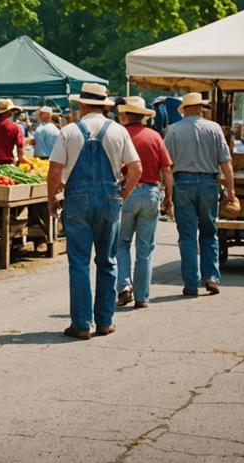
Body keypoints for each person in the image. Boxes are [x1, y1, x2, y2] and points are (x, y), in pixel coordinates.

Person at [48, 83, 141, 340]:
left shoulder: (68, 131)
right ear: (105, 106)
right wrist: (122, 196)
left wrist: (51, 199)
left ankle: (80, 324)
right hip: (110, 198)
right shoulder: (118, 131)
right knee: (107, 261)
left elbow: (55, 170)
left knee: (79, 263)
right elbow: (136, 169)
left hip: (77, 198)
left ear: (82, 105)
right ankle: (104, 321)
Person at [164, 92, 236, 297]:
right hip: (208, 183)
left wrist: (167, 194)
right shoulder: (214, 129)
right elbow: (225, 163)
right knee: (209, 232)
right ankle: (211, 277)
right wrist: (231, 191)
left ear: (185, 109)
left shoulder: (173, 130)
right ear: (201, 109)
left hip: (182, 183)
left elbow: (167, 167)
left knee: (187, 236)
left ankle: (191, 284)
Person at [114, 97, 173, 309]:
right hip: (151, 192)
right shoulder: (155, 136)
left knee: (121, 243)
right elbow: (166, 170)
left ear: (125, 115)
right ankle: (142, 297)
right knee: (145, 248)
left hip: (127, 192)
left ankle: (124, 285)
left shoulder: (119, 134)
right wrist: (168, 198)